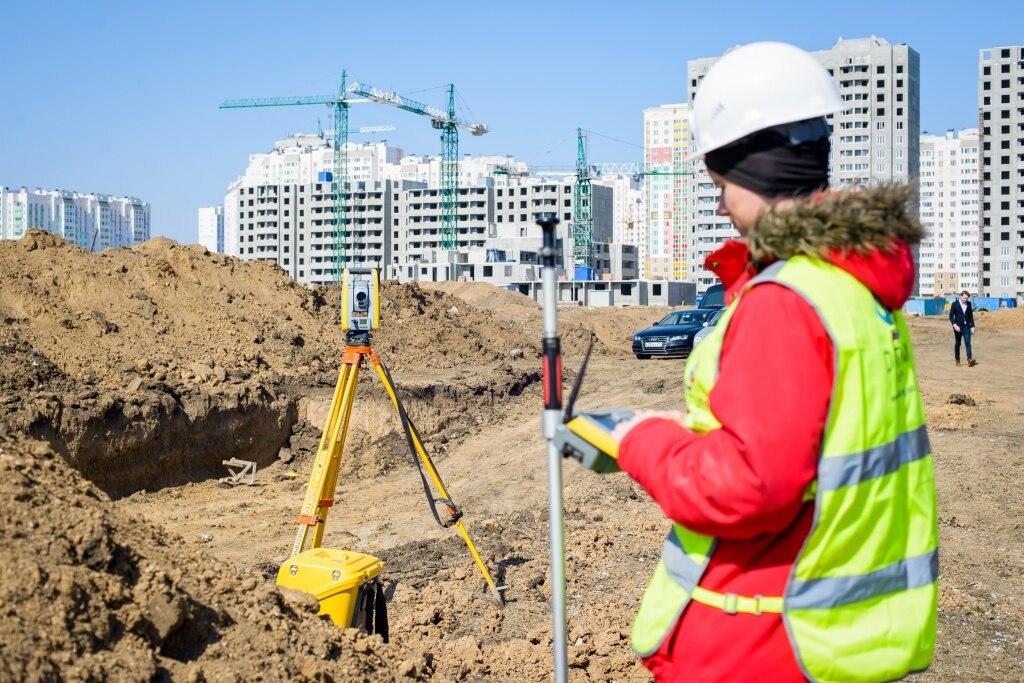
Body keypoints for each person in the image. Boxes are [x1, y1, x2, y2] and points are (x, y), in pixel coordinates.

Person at [611, 42, 938, 683]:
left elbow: (750, 486)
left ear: (757, 173)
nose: (719, 205)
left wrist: (639, 440)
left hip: (765, 639)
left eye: (722, 185)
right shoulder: (855, 288)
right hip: (837, 632)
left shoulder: (785, 301)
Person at [949, 290, 976, 366]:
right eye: (964, 298)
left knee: (968, 343)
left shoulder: (969, 304)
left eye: (967, 298)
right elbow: (951, 316)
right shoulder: (955, 304)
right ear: (960, 296)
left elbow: (970, 316)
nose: (965, 300)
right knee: (958, 343)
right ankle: (957, 360)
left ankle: (969, 359)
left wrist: (972, 326)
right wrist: (954, 325)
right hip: (958, 327)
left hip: (966, 326)